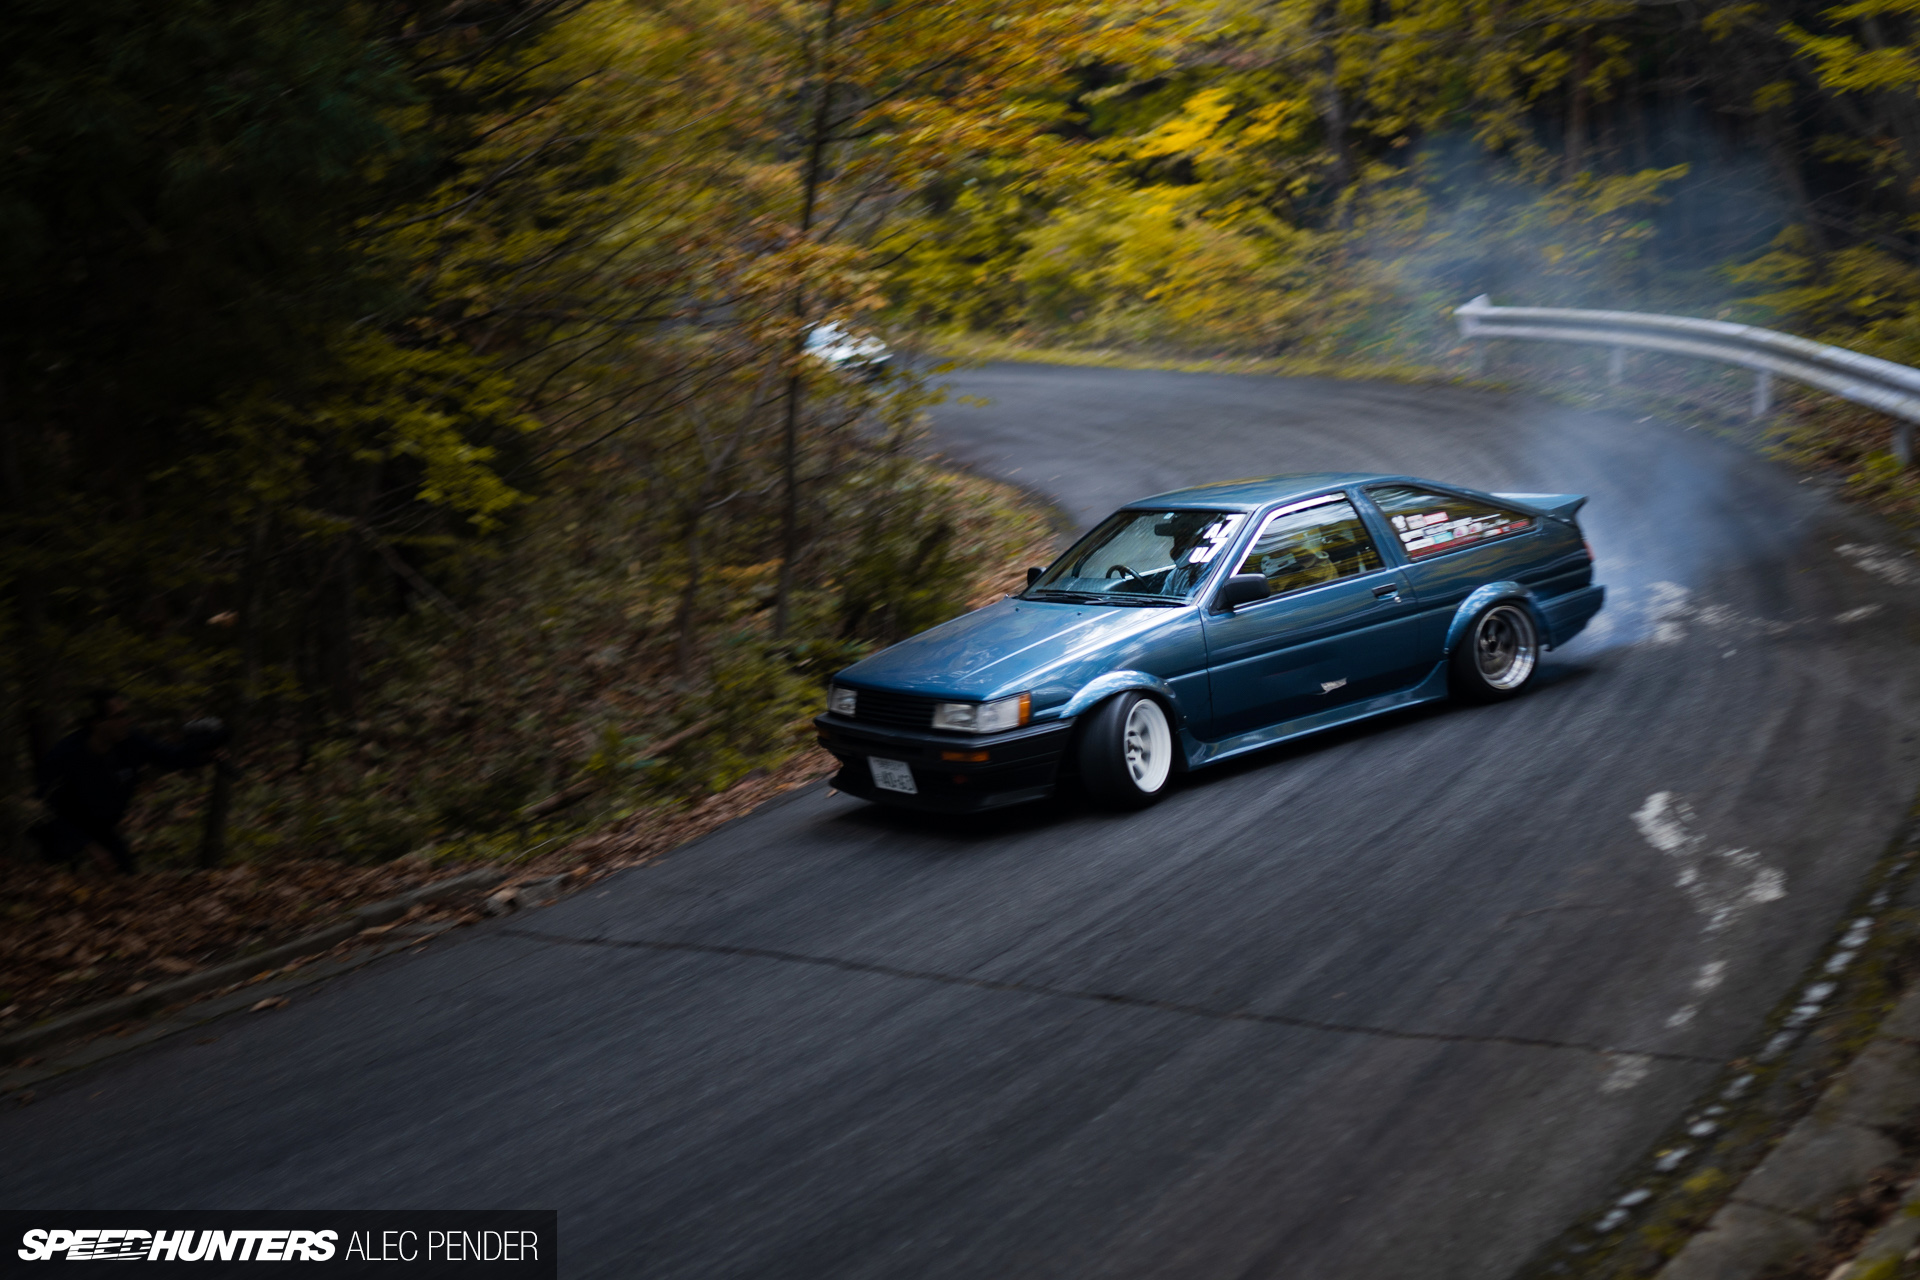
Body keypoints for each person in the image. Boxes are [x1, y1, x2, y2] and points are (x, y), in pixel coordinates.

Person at [30, 691, 227, 874]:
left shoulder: (131, 741)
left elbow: (170, 756)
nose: (127, 721)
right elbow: (45, 811)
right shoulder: (64, 755)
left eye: (127, 714)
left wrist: (205, 755)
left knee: (125, 872)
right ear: (97, 722)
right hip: (63, 833)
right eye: (119, 716)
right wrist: (87, 846)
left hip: (101, 830)